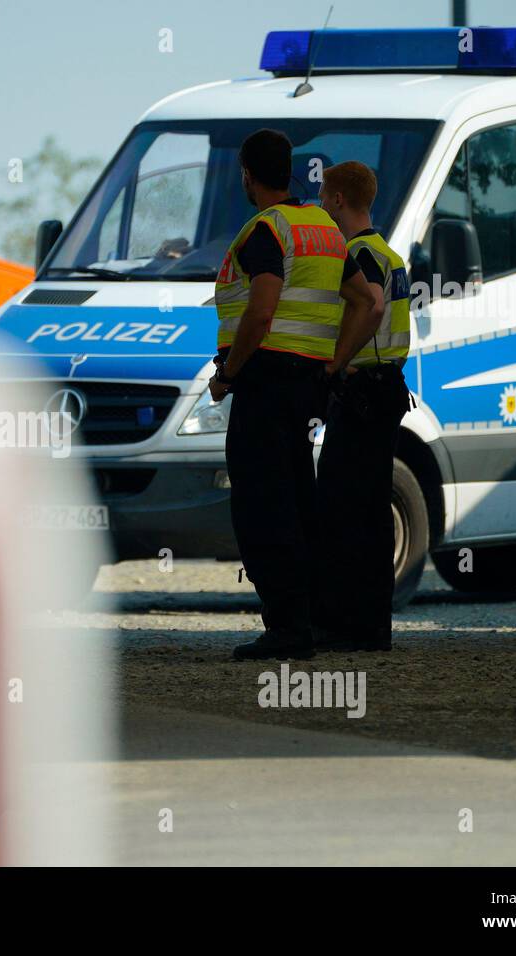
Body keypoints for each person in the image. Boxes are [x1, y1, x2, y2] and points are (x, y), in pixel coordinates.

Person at [210, 130, 376, 661]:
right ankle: (302, 621)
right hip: (306, 387)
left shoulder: (266, 230)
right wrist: (334, 364)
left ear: (246, 175)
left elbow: (261, 310)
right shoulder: (322, 228)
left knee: (262, 505)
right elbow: (368, 303)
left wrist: (229, 374)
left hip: (264, 383)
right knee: (299, 499)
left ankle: (285, 627)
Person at [313, 160, 412, 651]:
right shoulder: (389, 252)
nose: (319, 206)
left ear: (337, 201)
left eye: (322, 197)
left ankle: (344, 626)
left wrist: (335, 363)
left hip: (363, 390)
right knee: (370, 512)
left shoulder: (358, 253)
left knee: (341, 508)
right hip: (386, 387)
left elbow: (370, 306)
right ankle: (371, 627)